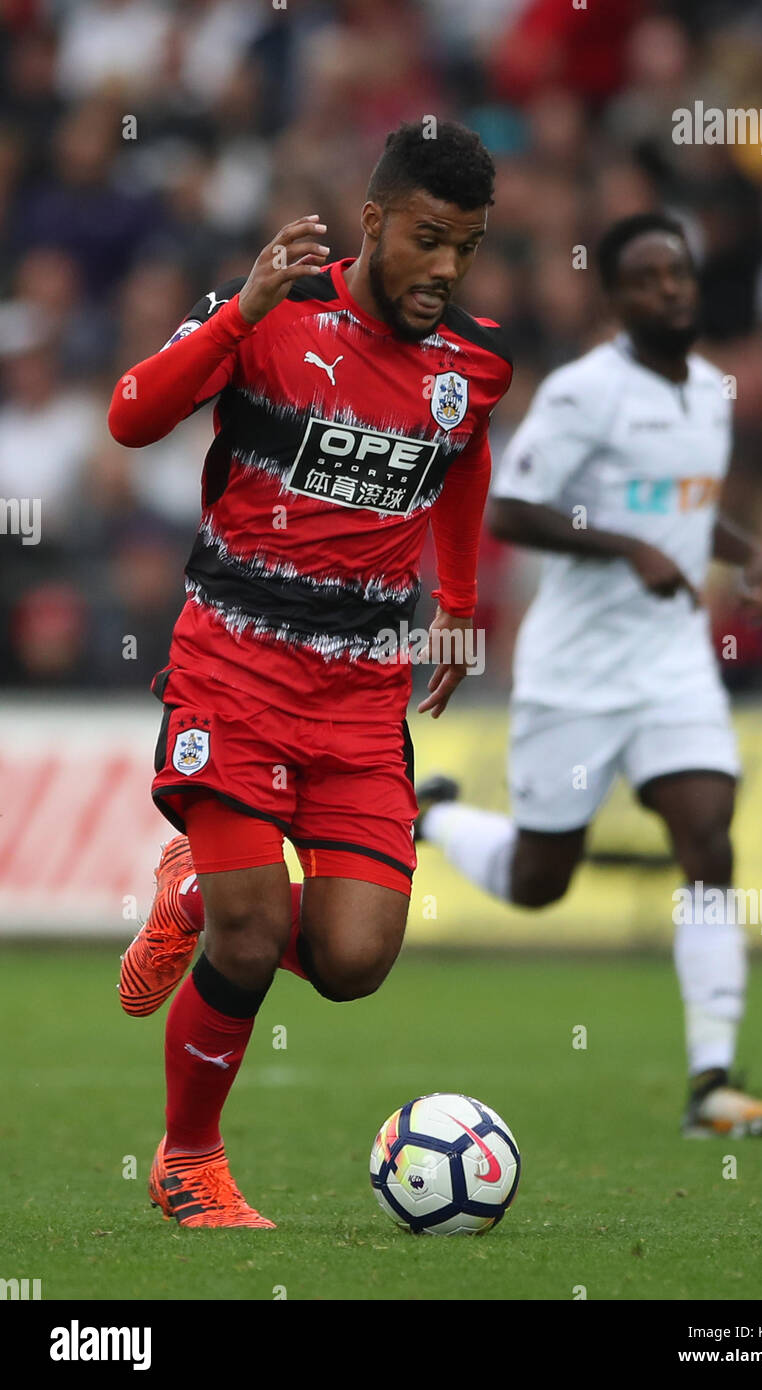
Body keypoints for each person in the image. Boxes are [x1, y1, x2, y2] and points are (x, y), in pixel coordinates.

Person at [108, 120, 512, 1227]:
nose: (443, 269)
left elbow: (462, 460)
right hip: (232, 665)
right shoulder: (276, 313)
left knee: (351, 958)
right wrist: (231, 316)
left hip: (359, 698)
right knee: (250, 934)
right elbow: (131, 415)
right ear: (374, 221)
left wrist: (461, 600)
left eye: (464, 247)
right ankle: (189, 1158)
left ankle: (193, 884)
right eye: (426, 239)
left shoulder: (473, 364)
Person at [417, 212, 762, 1139]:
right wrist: (621, 547)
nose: (669, 289)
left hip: (669, 664)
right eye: (647, 277)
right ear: (615, 298)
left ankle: (711, 1084)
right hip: (574, 673)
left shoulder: (710, 390)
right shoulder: (587, 393)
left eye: (679, 273)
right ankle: (431, 814)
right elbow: (507, 510)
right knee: (544, 880)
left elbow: (683, 510)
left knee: (708, 833)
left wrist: (743, 553)